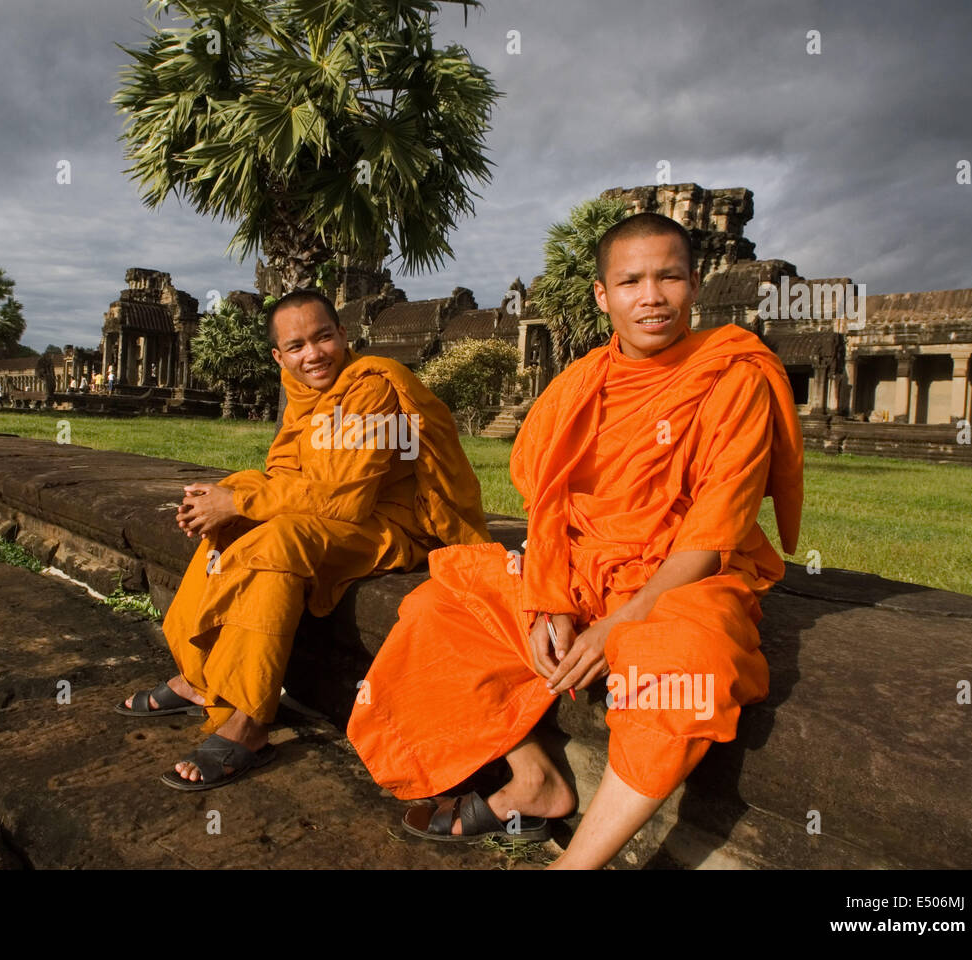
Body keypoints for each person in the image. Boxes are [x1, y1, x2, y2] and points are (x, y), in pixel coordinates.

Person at [347, 213, 805, 867]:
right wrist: (548, 599)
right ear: (602, 295)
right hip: (578, 569)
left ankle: (577, 863)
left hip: (679, 578)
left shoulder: (734, 379)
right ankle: (533, 776)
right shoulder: (578, 385)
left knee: (684, 664)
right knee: (438, 610)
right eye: (631, 281)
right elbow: (550, 510)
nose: (651, 296)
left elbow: (711, 535)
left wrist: (617, 625)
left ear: (694, 285)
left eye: (668, 276)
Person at [118, 289, 492, 791]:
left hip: (393, 525)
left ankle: (249, 721)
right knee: (234, 526)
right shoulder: (300, 391)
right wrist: (228, 500)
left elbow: (345, 497)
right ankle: (198, 678)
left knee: (277, 541)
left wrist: (238, 501)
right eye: (296, 346)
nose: (312, 354)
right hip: (335, 513)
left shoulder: (371, 387)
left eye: (323, 338)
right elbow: (284, 472)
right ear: (280, 357)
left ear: (343, 336)